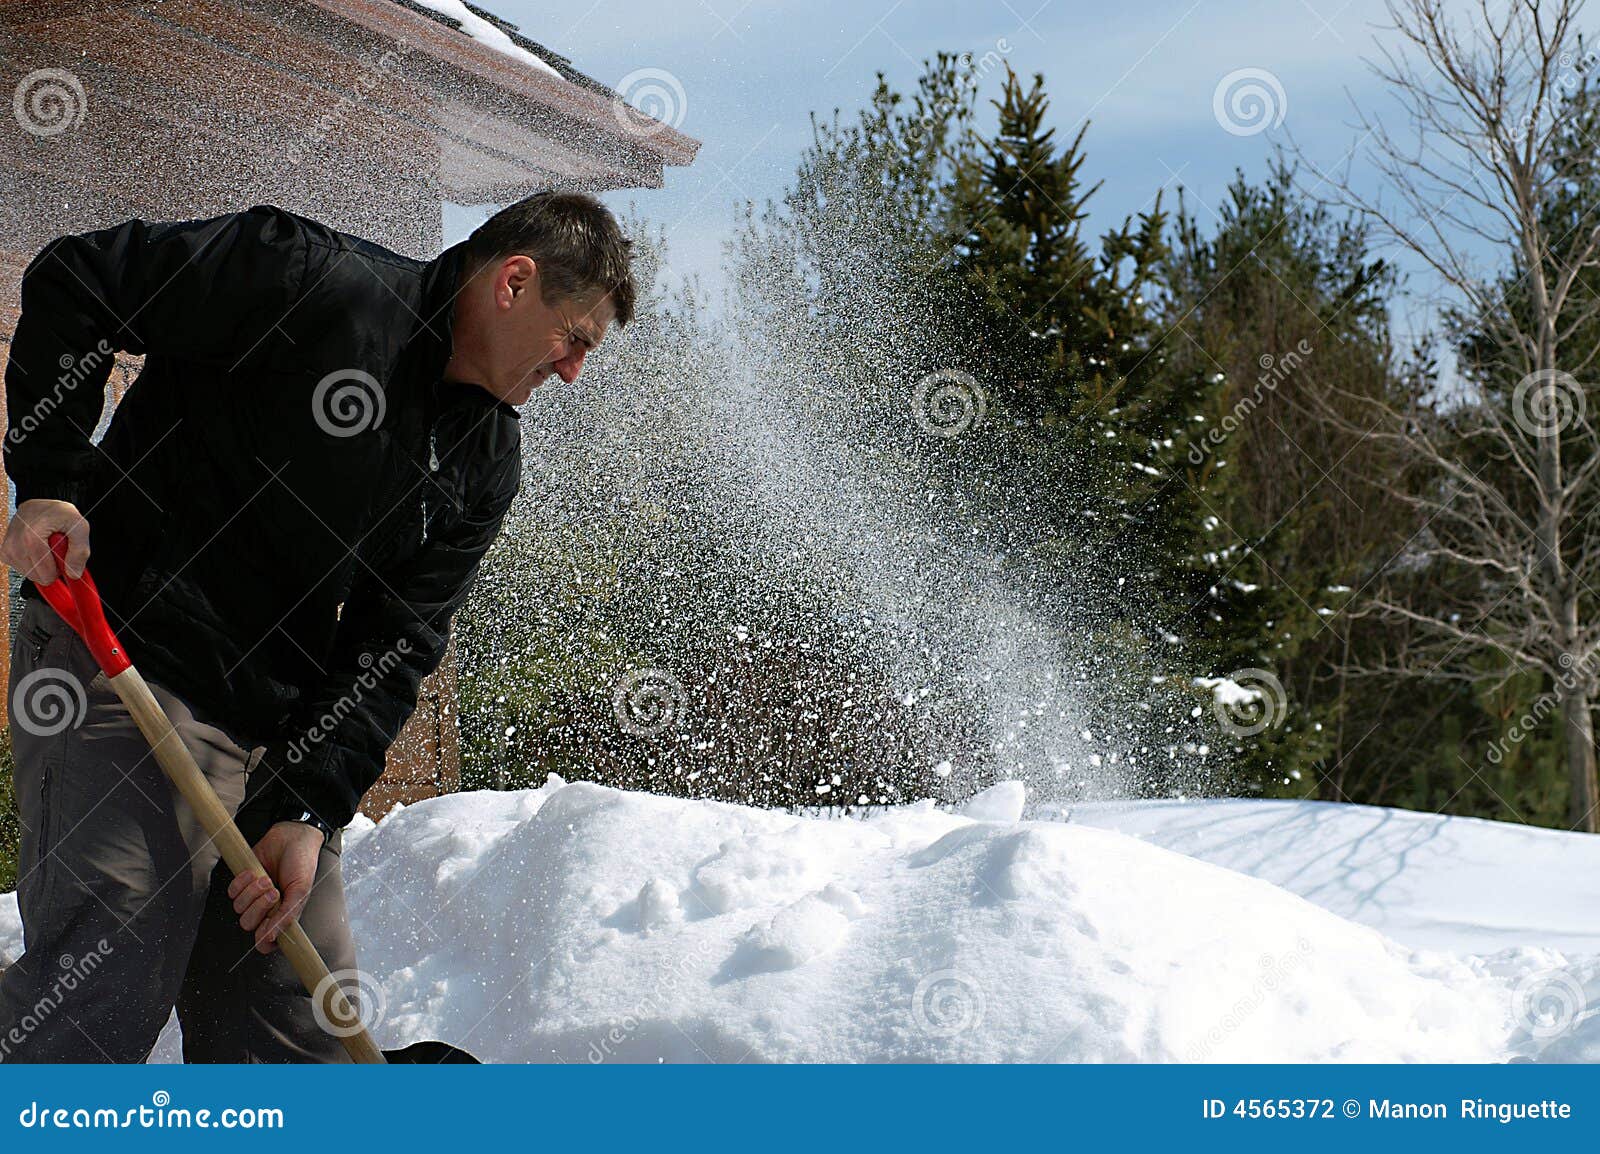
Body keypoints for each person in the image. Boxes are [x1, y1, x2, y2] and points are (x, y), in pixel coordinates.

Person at [0, 191, 634, 1062]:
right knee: (105, 981)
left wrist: (307, 803)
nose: (572, 372)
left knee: (298, 1030)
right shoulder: (309, 279)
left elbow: (400, 640)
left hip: (275, 728)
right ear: (515, 282)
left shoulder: (485, 458)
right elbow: (81, 279)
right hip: (126, 655)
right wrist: (49, 479)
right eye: (576, 339)